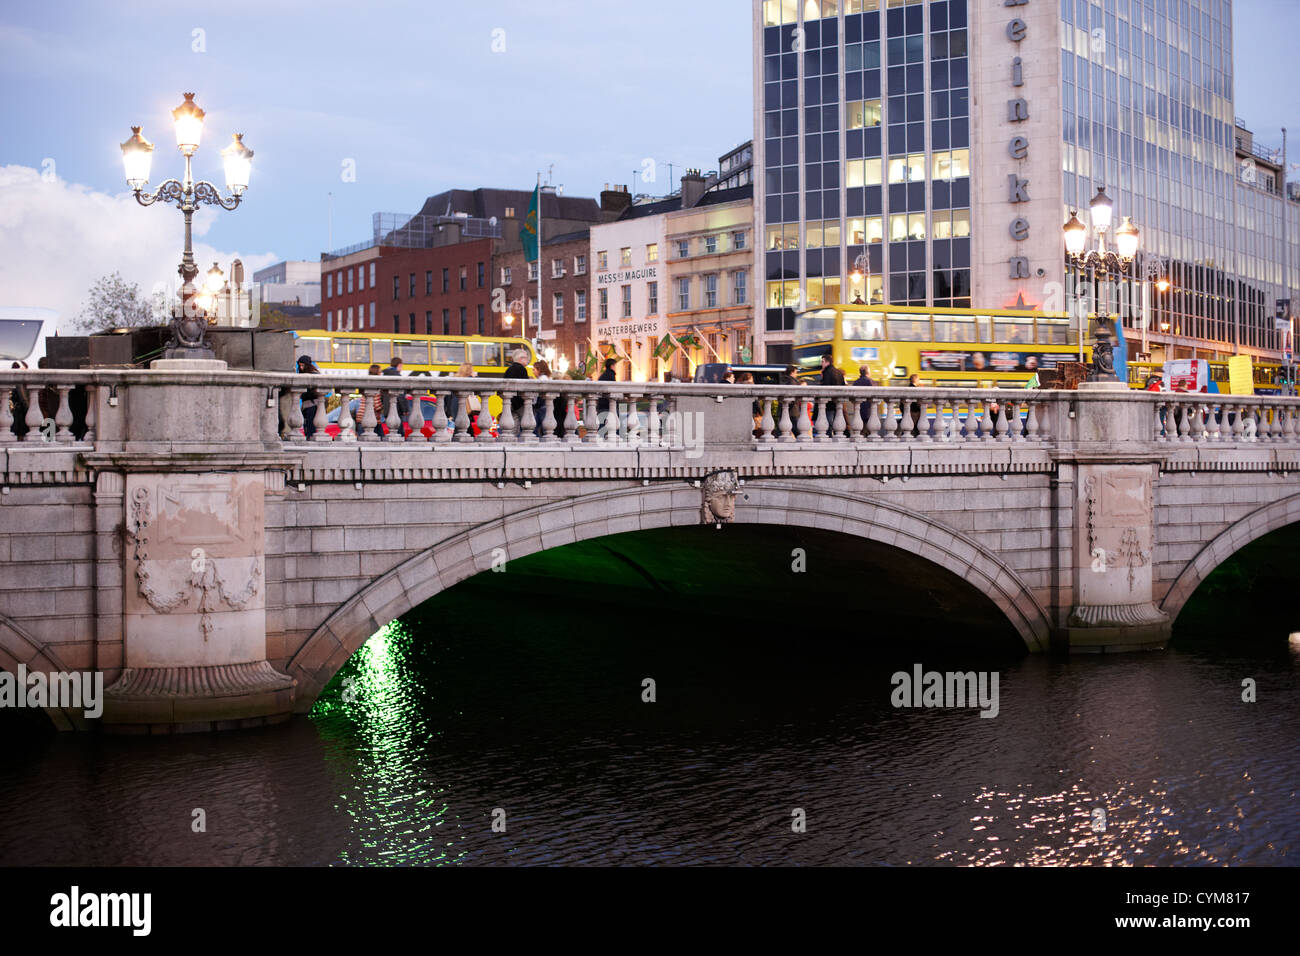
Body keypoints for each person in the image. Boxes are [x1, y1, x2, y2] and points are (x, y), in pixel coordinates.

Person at [296, 355, 322, 438]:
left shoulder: (313, 375)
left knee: (310, 426)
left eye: (302, 365)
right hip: (306, 405)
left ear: (307, 365)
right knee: (307, 425)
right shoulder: (303, 375)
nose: (301, 367)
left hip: (312, 404)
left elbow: (313, 392)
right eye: (299, 365)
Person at [381, 356, 410, 428]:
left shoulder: (384, 375)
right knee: (399, 432)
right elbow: (400, 395)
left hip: (387, 408)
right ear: (399, 365)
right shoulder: (397, 376)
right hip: (397, 408)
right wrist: (405, 409)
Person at [907, 373, 924, 437]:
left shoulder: (907, 388)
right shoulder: (915, 389)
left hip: (908, 412)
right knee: (915, 431)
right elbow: (915, 403)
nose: (919, 381)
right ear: (916, 380)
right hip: (914, 413)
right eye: (918, 379)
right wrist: (921, 406)